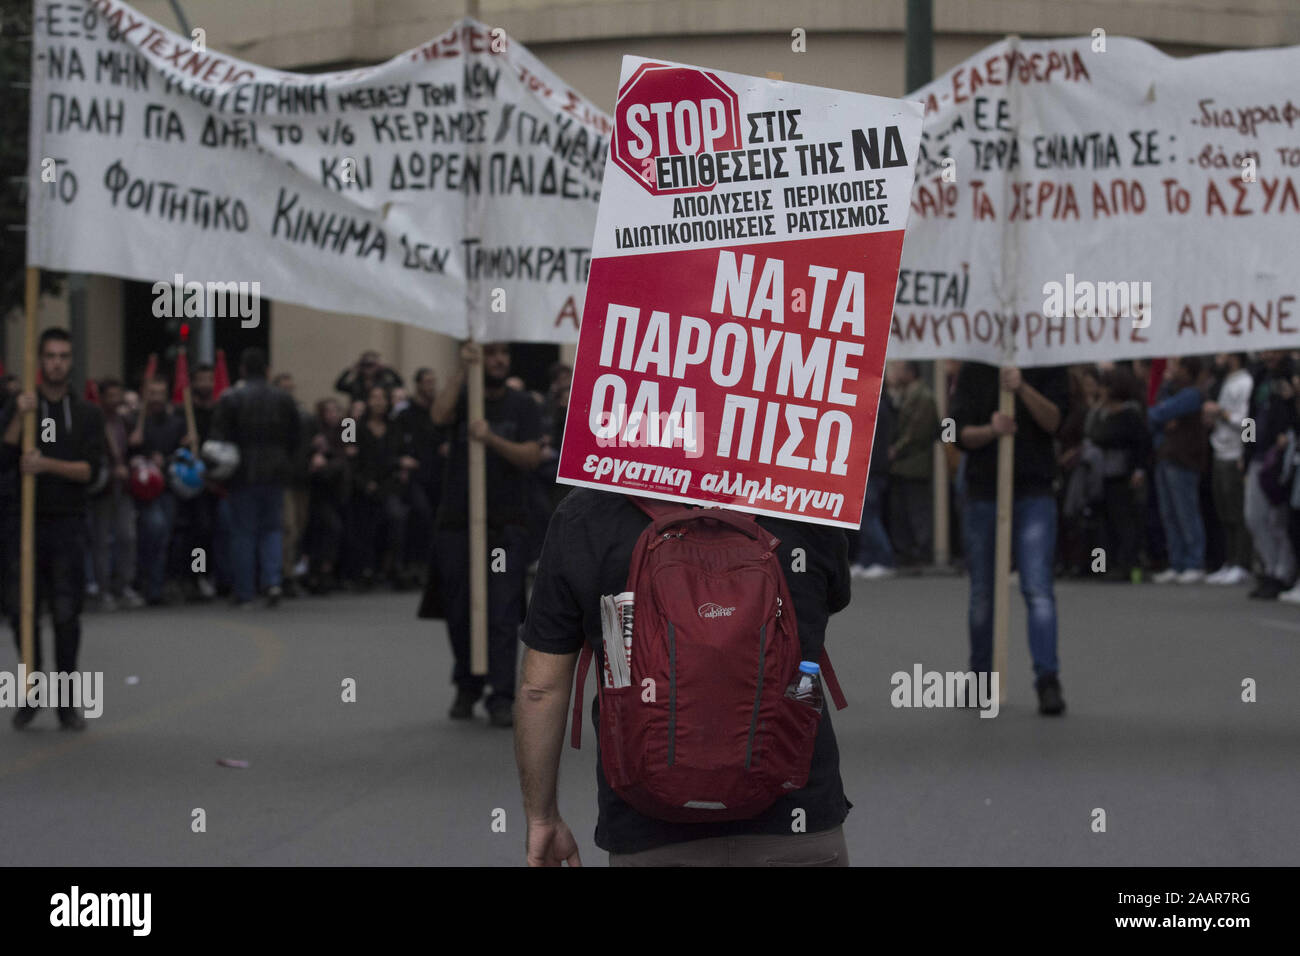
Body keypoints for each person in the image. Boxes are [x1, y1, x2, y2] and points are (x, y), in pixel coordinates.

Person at [515, 489, 853, 866]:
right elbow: (832, 598)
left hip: (649, 834)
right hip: (797, 824)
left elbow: (540, 689)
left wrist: (542, 816)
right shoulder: (805, 497)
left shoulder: (587, 513)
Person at [430, 342, 542, 727]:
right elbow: (438, 413)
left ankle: (501, 693)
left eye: (502, 354)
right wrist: (463, 370)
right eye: (490, 354)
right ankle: (467, 685)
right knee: (460, 610)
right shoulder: (463, 398)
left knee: (501, 609)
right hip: (458, 524)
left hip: (504, 526)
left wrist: (490, 439)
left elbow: (531, 456)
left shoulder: (522, 404)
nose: (498, 360)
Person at [0, 328, 105, 730]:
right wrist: (18, 420)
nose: (57, 362)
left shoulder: (87, 414)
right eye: (50, 355)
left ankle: (66, 699)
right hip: (22, 524)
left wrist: (46, 465)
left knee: (65, 613)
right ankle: (31, 690)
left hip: (66, 525)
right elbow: (5, 457)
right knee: (21, 611)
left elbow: (89, 471)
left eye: (63, 355)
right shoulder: (20, 405)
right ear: (40, 361)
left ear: (72, 360)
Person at [951, 362, 1069, 716]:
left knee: (1037, 588)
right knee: (983, 590)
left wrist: (1021, 389)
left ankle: (1048, 680)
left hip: (1034, 490)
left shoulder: (1050, 365)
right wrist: (991, 430)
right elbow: (955, 432)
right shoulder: (975, 369)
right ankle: (981, 680)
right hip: (984, 492)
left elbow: (1055, 421)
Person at [209, 348, 302, 608]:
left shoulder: (232, 398)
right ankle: (272, 581)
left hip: (243, 471)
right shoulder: (283, 399)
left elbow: (219, 437)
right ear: (267, 370)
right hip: (276, 470)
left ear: (243, 370)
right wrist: (287, 462)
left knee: (243, 532)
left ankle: (244, 589)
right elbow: (296, 435)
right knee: (272, 529)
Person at [1085, 366, 1150, 582]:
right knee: (1102, 523)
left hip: (1122, 473)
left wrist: (1139, 469)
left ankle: (1126, 565)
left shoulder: (1130, 413)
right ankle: (1101, 564)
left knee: (1124, 521)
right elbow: (1091, 433)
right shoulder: (1100, 412)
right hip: (1099, 474)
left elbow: (1142, 443)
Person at [1147, 357, 1209, 584]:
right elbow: (1153, 413)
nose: (1171, 371)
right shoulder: (1171, 391)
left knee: (1186, 512)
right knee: (1169, 514)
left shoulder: (1192, 394)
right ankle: (1177, 562)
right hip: (1164, 457)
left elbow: (1160, 413)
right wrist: (1163, 405)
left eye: (1177, 367)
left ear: (1187, 370)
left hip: (1183, 460)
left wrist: (1164, 414)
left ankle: (1194, 562)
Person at [1243, 351, 1297, 599]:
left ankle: (1283, 572)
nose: (1267, 355)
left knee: (1278, 518)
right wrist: (1248, 448)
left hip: (1281, 454)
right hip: (1259, 456)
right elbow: (1251, 415)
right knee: (1254, 517)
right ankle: (1271, 565)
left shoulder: (1291, 373)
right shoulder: (1260, 377)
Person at [87, 378, 144, 610]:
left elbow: (136, 452)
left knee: (127, 536)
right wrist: (111, 471)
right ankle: (103, 589)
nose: (115, 400)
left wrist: (136, 451)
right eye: (110, 396)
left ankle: (124, 585)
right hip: (104, 488)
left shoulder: (126, 422)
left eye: (117, 395)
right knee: (101, 540)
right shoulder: (94, 423)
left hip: (125, 488)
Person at [129, 377, 186, 605]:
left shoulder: (176, 423)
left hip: (168, 487)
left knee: (164, 537)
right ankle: (143, 581)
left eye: (161, 393)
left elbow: (183, 455)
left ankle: (156, 587)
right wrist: (134, 449)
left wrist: (176, 453)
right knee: (153, 529)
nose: (157, 398)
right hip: (144, 489)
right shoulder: (135, 422)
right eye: (152, 393)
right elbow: (125, 456)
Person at [1203, 353, 1254, 586]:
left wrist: (1246, 451)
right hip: (1219, 450)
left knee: (1237, 511)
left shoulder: (1245, 382)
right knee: (1224, 511)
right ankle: (1230, 560)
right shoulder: (1227, 381)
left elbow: (1247, 421)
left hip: (1234, 453)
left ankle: (1242, 563)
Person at [885, 361, 938, 572]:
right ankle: (907, 551)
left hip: (914, 464)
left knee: (917, 510)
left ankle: (920, 551)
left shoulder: (923, 397)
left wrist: (897, 449)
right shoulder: (908, 394)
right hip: (905, 465)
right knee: (903, 510)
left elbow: (916, 430)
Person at [272, 371, 315, 596]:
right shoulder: (272, 416)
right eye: (284, 388)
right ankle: (284, 575)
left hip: (302, 478)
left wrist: (318, 454)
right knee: (287, 528)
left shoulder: (304, 415)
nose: (289, 392)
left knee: (298, 528)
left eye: (291, 388)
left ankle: (292, 571)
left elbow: (314, 443)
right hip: (283, 480)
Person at [303, 398, 350, 594]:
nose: (332, 415)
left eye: (335, 410)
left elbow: (349, 454)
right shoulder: (315, 434)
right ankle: (319, 572)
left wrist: (328, 457)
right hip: (320, 492)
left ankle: (329, 572)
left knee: (334, 530)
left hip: (339, 491)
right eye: (328, 411)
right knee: (326, 530)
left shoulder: (346, 429)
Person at [852, 390, 897, 579]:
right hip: (873, 468)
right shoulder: (883, 406)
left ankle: (884, 559)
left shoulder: (877, 408)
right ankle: (867, 560)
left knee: (869, 517)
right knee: (864, 518)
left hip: (872, 469)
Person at [334, 350, 403, 404]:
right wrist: (350, 370)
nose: (368, 369)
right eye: (365, 365)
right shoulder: (356, 383)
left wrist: (386, 369)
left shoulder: (383, 382)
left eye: (371, 365)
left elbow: (399, 383)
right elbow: (339, 386)